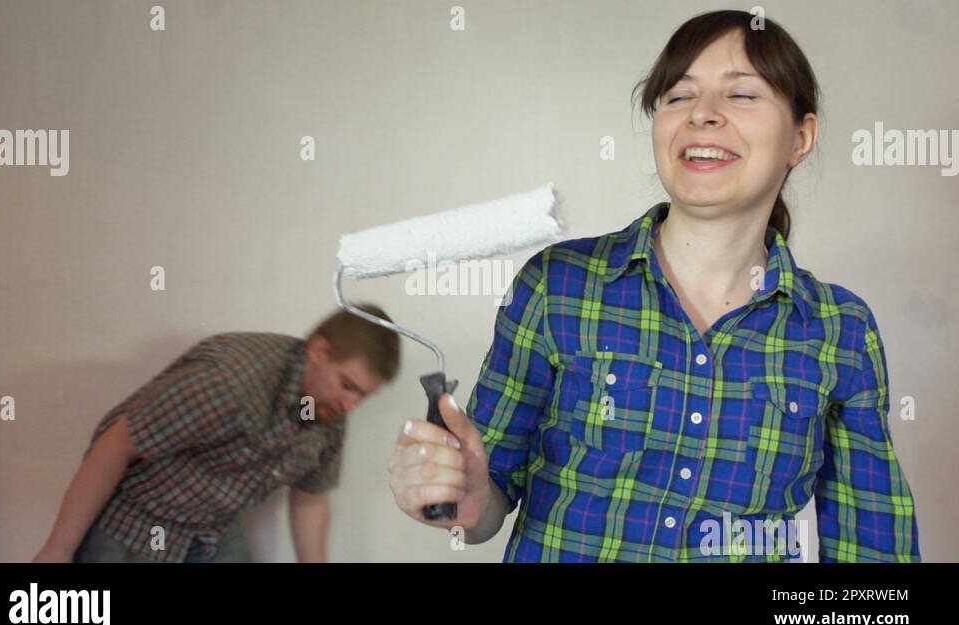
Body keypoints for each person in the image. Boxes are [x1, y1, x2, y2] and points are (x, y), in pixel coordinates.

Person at [387, 10, 921, 562]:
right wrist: (466, 498)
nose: (703, 115)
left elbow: (872, 558)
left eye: (741, 95)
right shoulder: (558, 286)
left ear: (800, 137)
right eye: (678, 97)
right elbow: (483, 506)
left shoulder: (841, 329)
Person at [32, 304, 400, 563]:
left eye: (364, 396)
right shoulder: (228, 382)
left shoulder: (331, 408)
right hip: (134, 524)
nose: (352, 405)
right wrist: (58, 550)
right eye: (348, 385)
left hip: (213, 529)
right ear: (319, 351)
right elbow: (115, 445)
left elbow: (310, 497)